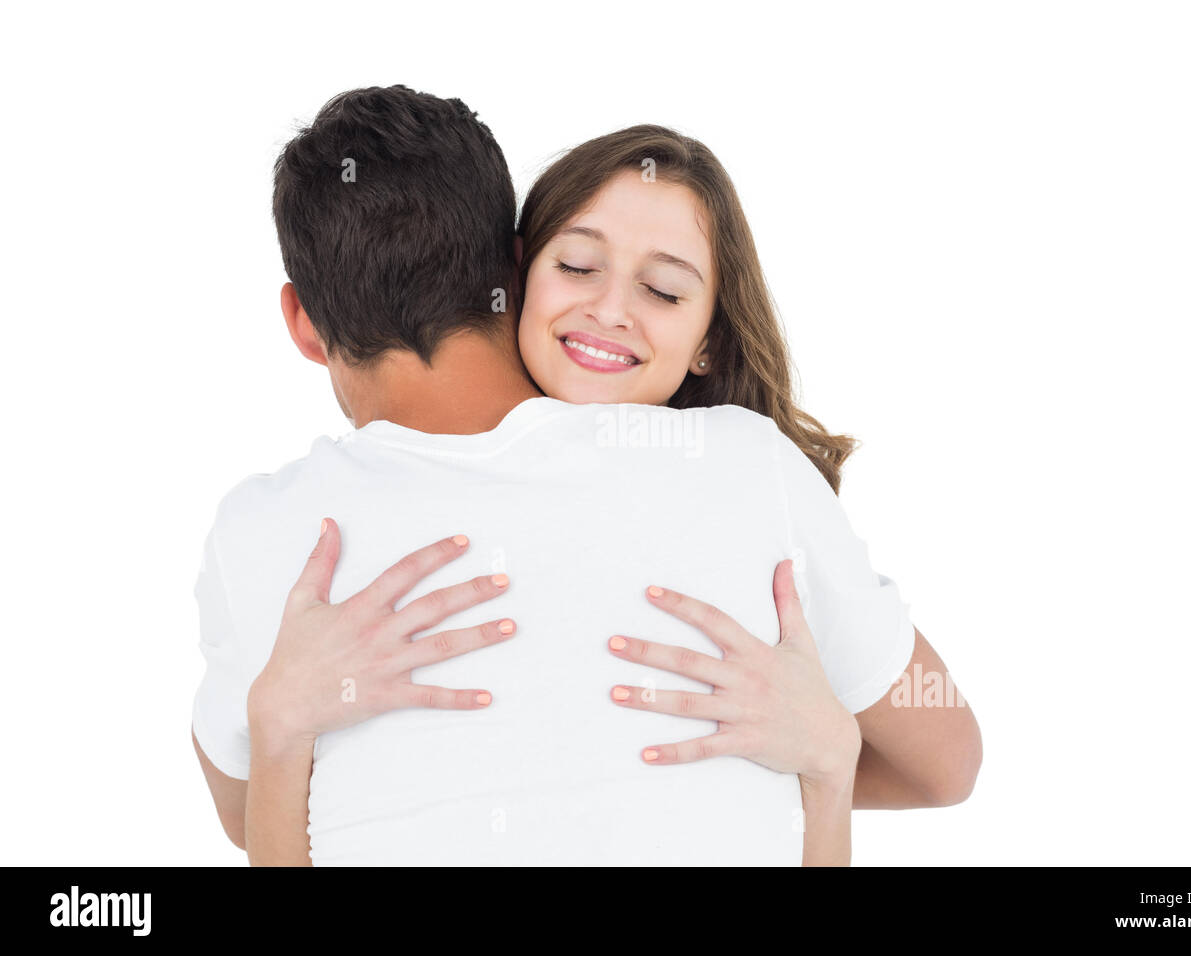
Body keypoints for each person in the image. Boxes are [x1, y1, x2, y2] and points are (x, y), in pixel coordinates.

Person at [191, 85, 981, 866]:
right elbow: (948, 761)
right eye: (580, 265)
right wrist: (822, 761)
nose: (610, 310)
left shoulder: (261, 534)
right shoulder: (751, 467)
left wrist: (281, 722)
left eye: (664, 289)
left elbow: (253, 818)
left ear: (300, 322)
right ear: (516, 263)